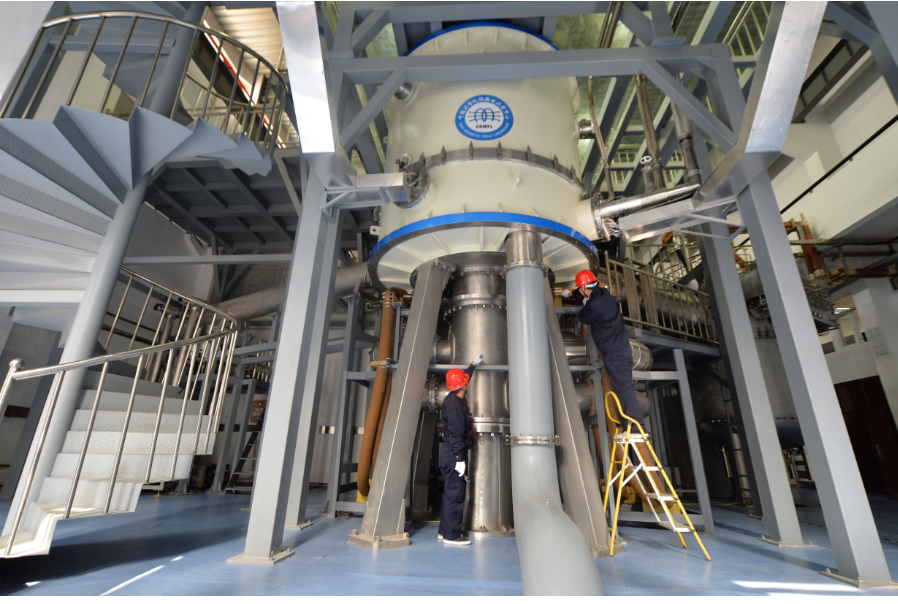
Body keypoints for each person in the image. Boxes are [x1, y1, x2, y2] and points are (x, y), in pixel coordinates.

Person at [572, 269, 644, 427]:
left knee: (624, 388)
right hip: (622, 348)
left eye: (580, 288)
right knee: (621, 387)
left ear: (584, 287)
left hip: (614, 352)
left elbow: (583, 316)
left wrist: (583, 303)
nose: (579, 291)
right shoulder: (603, 293)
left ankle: (636, 429)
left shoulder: (594, 304)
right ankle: (627, 425)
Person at [437, 353, 484, 545]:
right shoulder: (456, 408)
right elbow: (456, 435)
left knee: (450, 492)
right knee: (456, 494)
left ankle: (444, 531)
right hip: (454, 454)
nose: (468, 382)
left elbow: (462, 377)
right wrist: (460, 460)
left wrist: (472, 365)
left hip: (450, 453)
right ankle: (451, 535)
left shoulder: (452, 396)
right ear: (463, 386)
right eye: (466, 381)